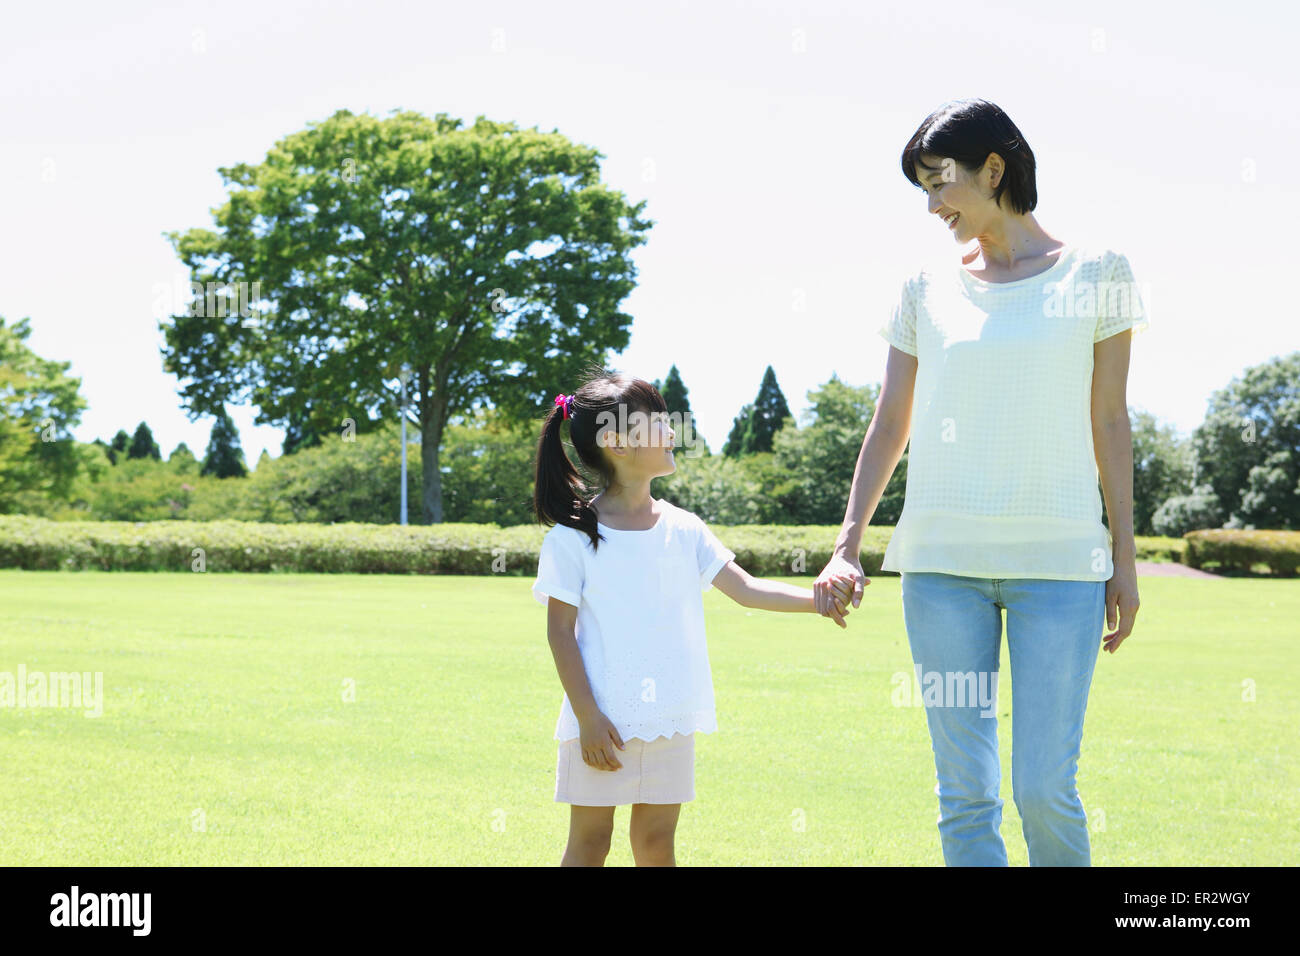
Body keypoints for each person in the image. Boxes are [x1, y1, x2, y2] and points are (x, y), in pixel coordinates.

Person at [814, 98, 1148, 866]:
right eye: (922, 191)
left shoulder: (1099, 272)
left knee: (1042, 787)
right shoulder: (924, 287)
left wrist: (1123, 558)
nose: (932, 206)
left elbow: (1110, 422)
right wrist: (847, 547)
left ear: (994, 169)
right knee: (964, 796)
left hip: (1060, 570)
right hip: (941, 572)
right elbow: (889, 422)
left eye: (941, 183)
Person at [531, 366, 849, 866]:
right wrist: (588, 718)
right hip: (600, 724)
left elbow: (744, 589)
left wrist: (819, 599)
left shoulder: (685, 528)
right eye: (656, 422)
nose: (672, 430)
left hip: (670, 717)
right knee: (590, 843)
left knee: (657, 844)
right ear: (616, 441)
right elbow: (560, 634)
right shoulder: (572, 538)